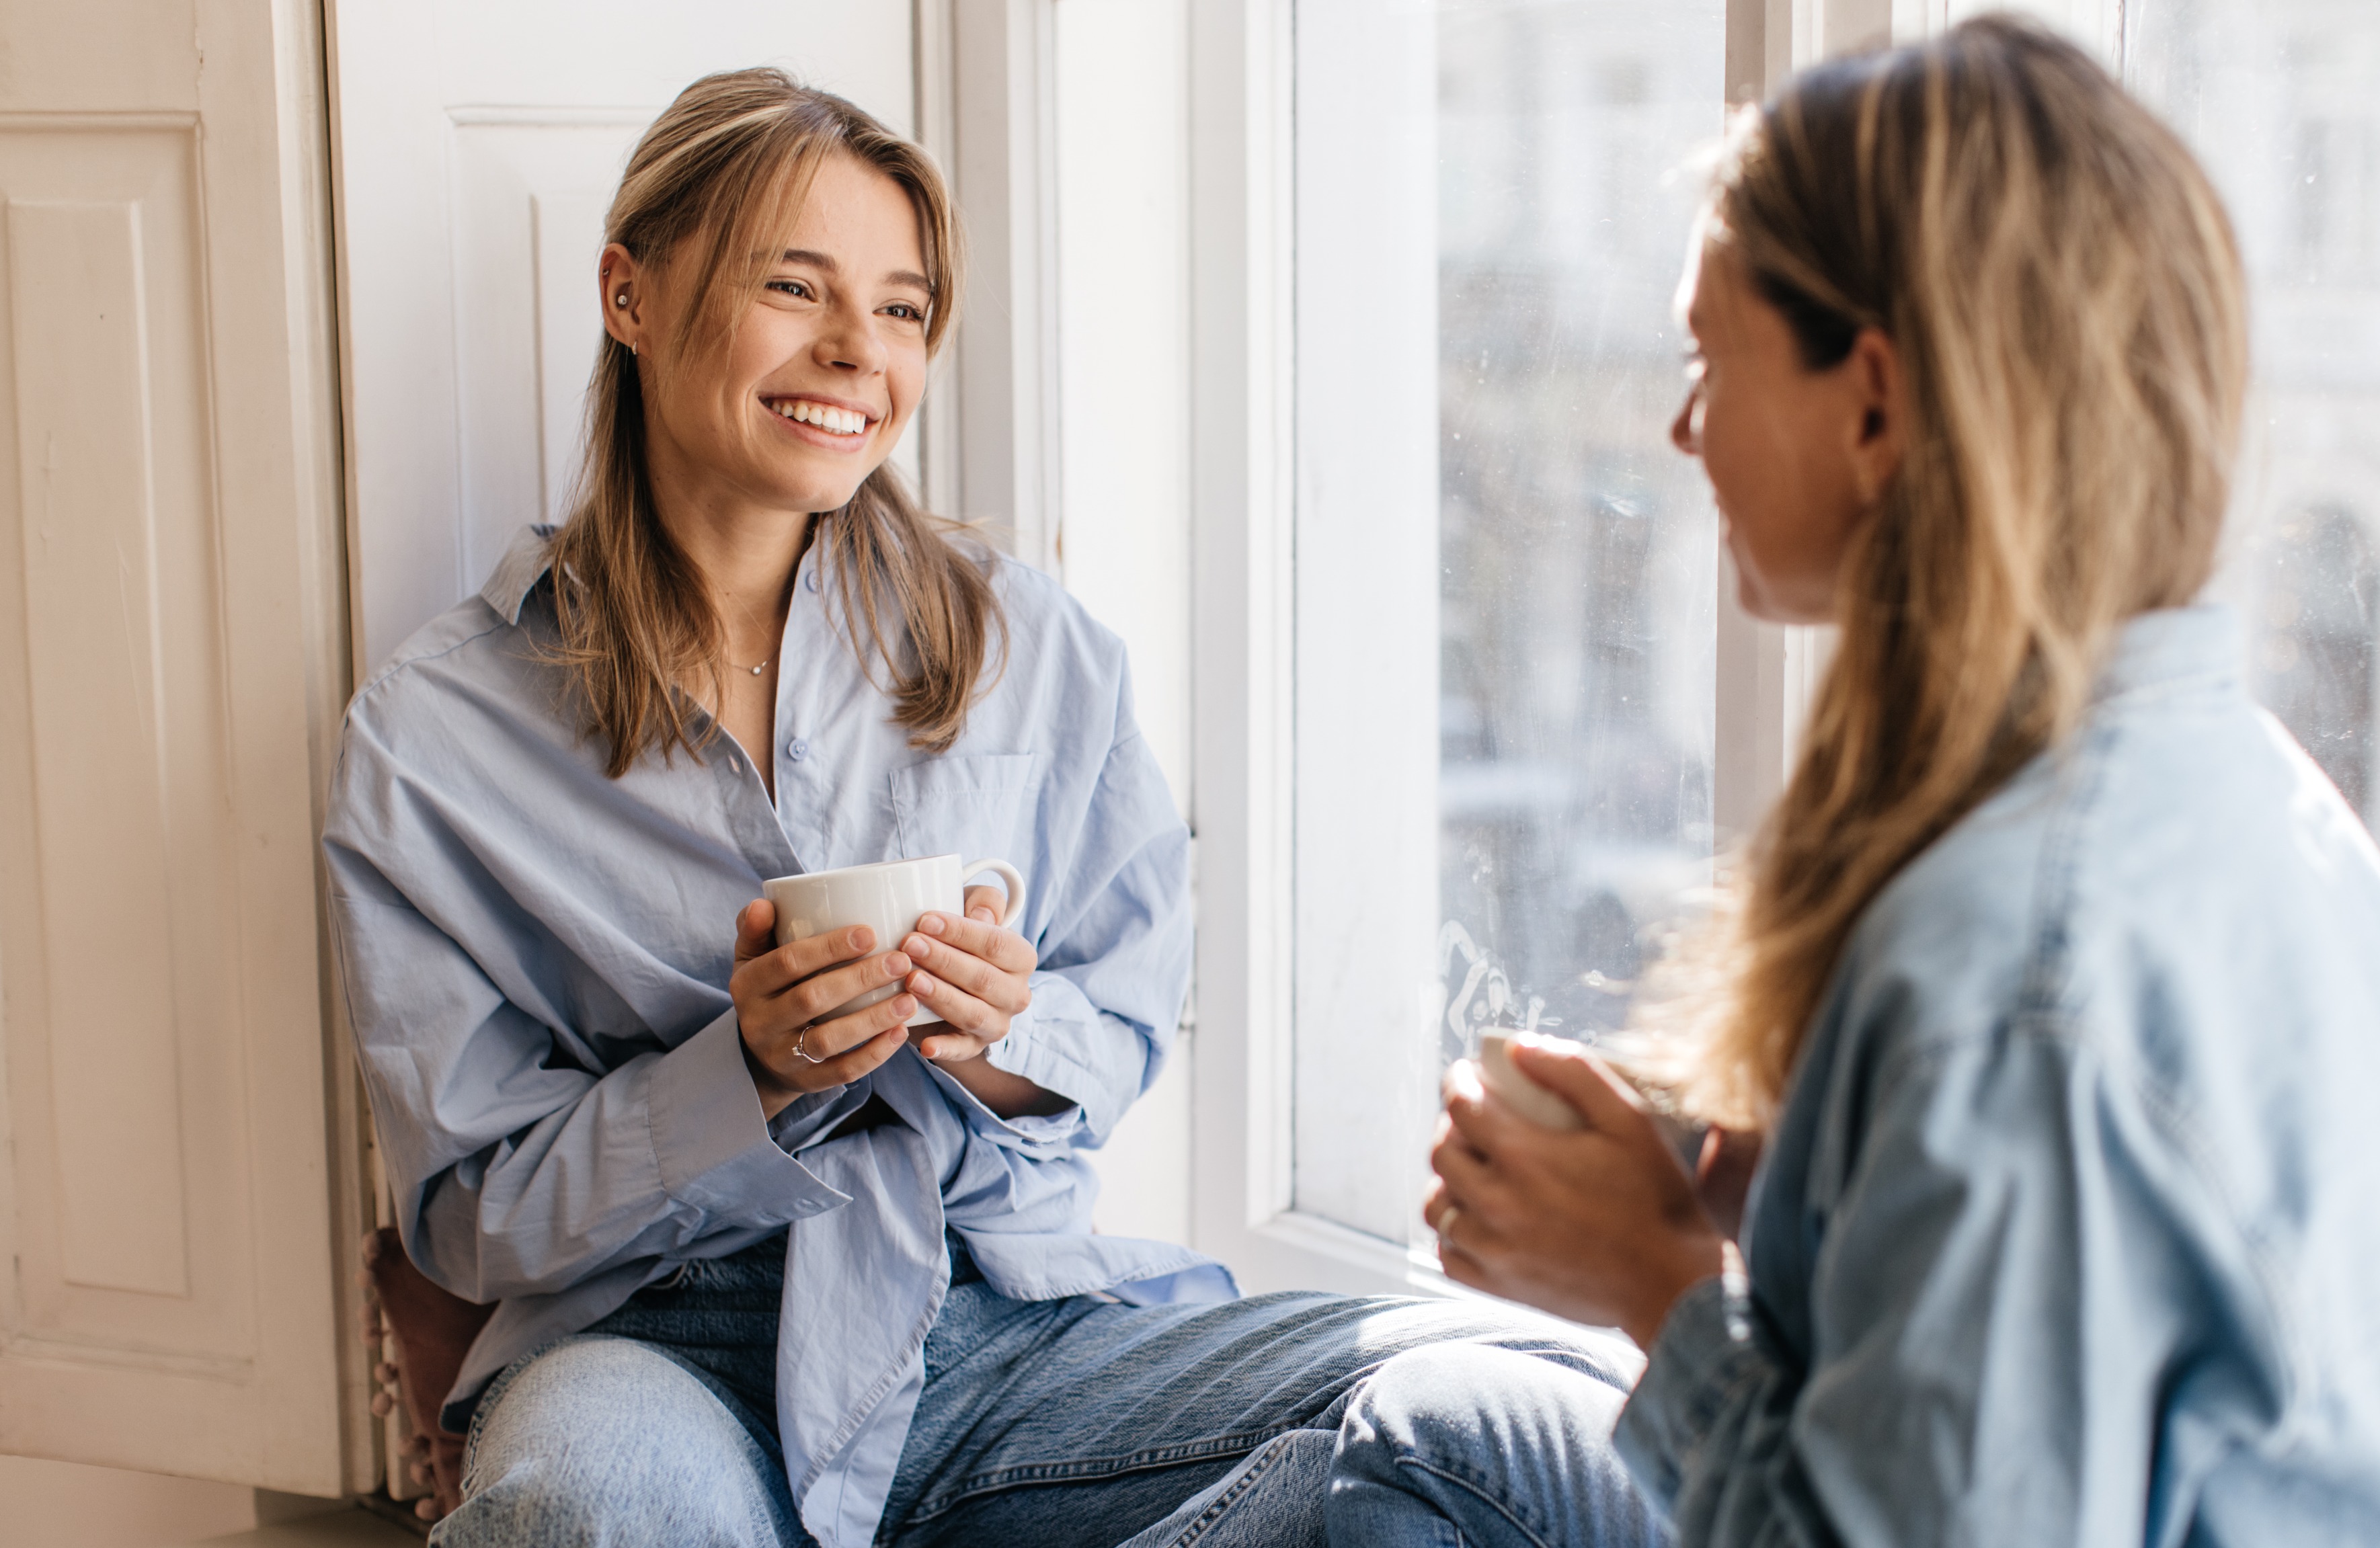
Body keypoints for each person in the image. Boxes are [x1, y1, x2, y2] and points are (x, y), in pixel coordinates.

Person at [325, 68, 1661, 1548]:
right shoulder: (434, 737)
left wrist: (993, 1039)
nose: (858, 350)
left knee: (1532, 1421)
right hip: (656, 1346)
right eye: (795, 286)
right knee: (596, 1517)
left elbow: (1123, 1018)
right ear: (626, 294)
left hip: (1009, 1325)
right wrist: (747, 1072)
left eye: (901, 309)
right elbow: (470, 1214)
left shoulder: (1030, 646)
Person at [1422, 19, 2380, 1547]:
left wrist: (1651, 1280)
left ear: (1873, 407)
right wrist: (1801, 1197)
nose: (1681, 429)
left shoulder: (2010, 968)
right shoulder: (2242, 801)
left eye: (1707, 359)